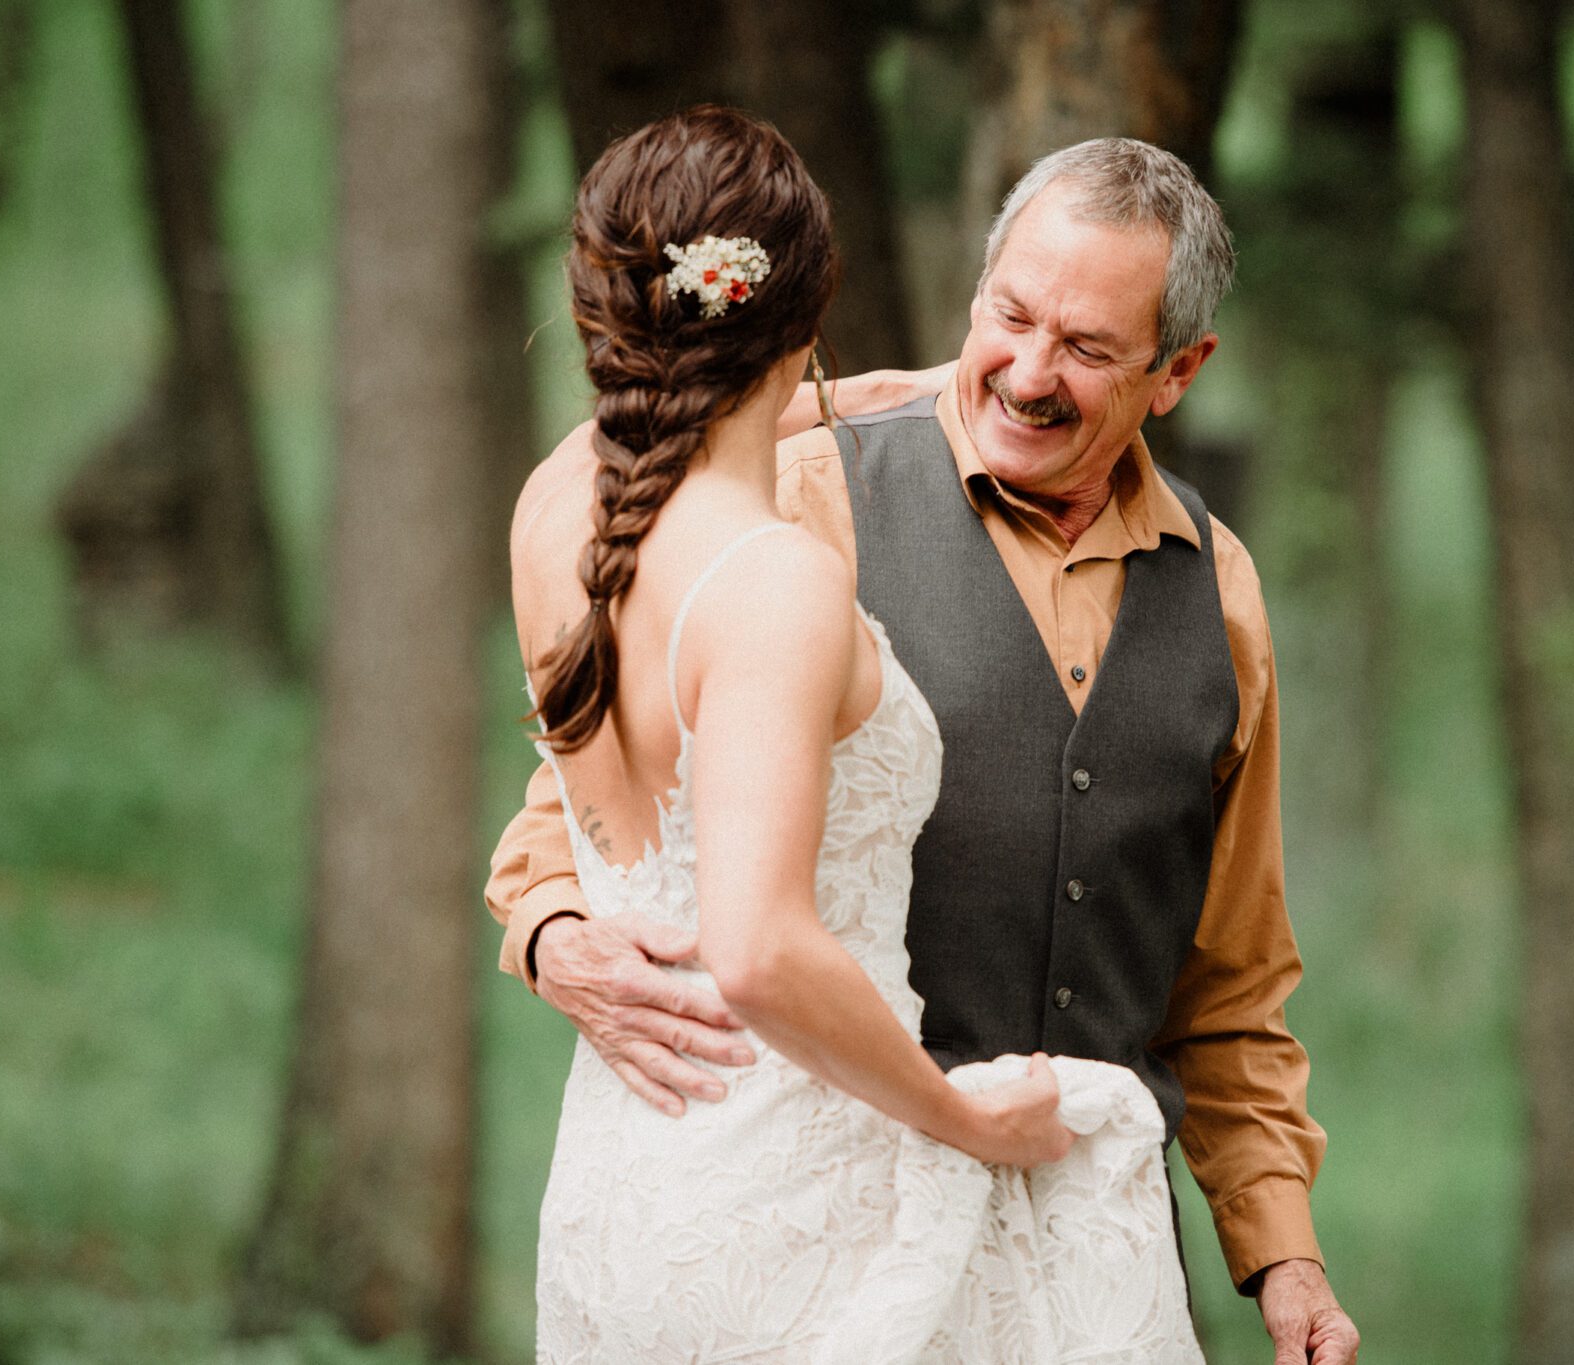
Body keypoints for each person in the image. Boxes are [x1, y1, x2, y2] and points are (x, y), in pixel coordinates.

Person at [494, 129, 1361, 1363]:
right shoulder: (792, 508)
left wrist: (1283, 1255)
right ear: (975, 287)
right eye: (1009, 315)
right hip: (842, 1231)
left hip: (1090, 1259)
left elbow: (1229, 981)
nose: (1027, 372)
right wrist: (551, 935)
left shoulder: (1219, 593)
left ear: (1177, 371)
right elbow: (588, 810)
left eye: (1087, 348)